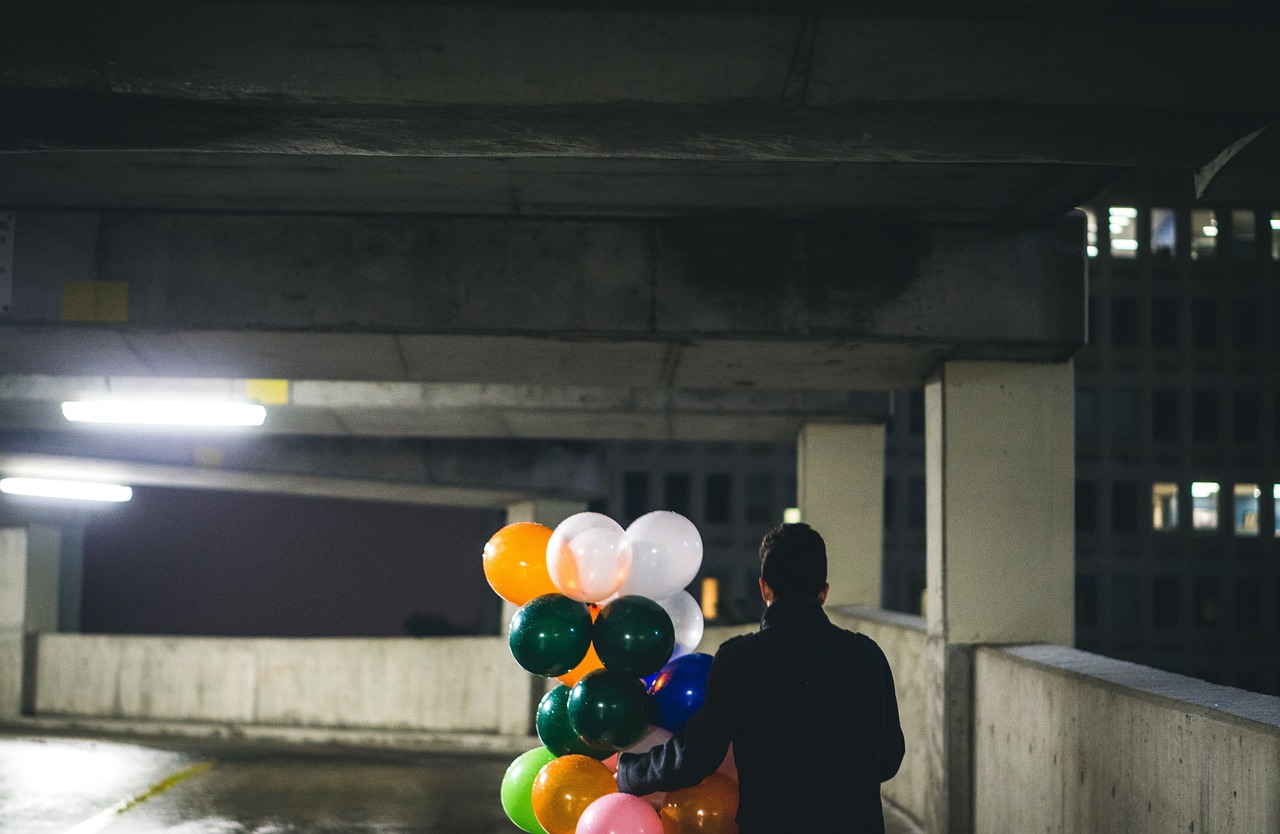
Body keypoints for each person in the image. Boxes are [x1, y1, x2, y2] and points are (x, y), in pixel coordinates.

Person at [616, 522, 906, 833]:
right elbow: (889, 760)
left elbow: (697, 756)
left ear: (764, 588)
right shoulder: (867, 656)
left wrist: (630, 773)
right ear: (823, 592)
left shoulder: (739, 659)